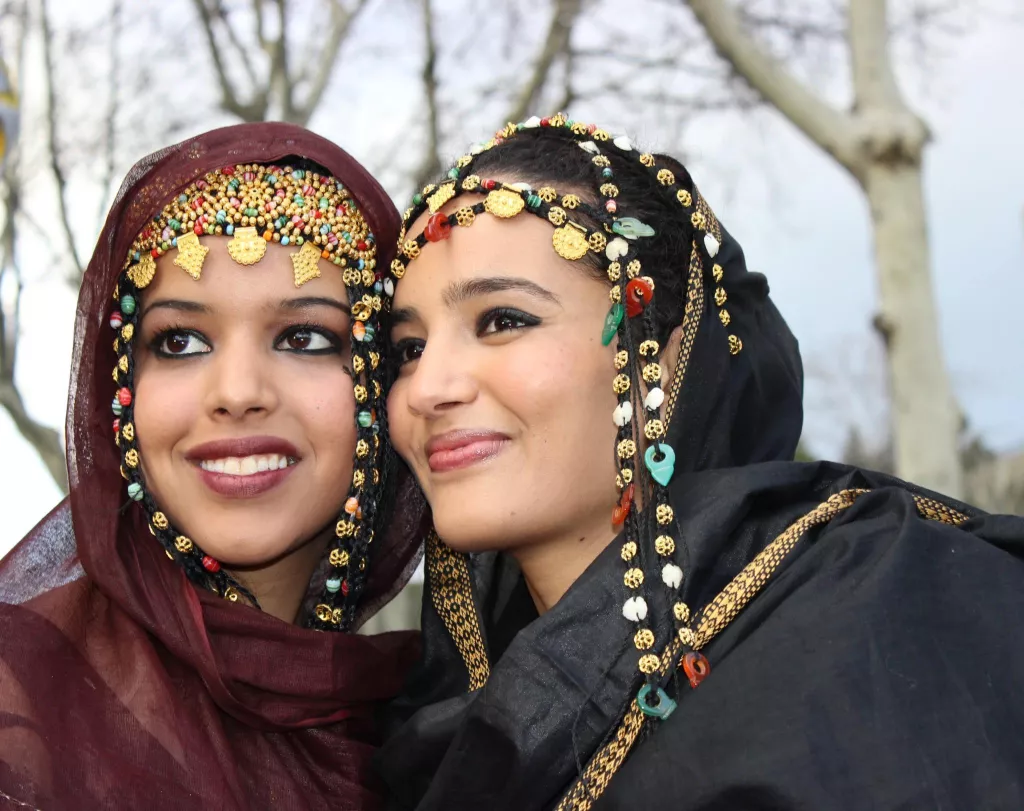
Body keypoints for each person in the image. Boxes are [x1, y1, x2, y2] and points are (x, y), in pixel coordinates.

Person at [376, 114, 1024, 810]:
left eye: (503, 320)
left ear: (661, 355)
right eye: (408, 348)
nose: (429, 388)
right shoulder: (432, 715)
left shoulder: (879, 619)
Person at [0, 122, 425, 810]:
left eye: (305, 337)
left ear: (382, 378)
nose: (237, 392)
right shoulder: (18, 705)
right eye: (181, 340)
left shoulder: (441, 730)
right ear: (120, 391)